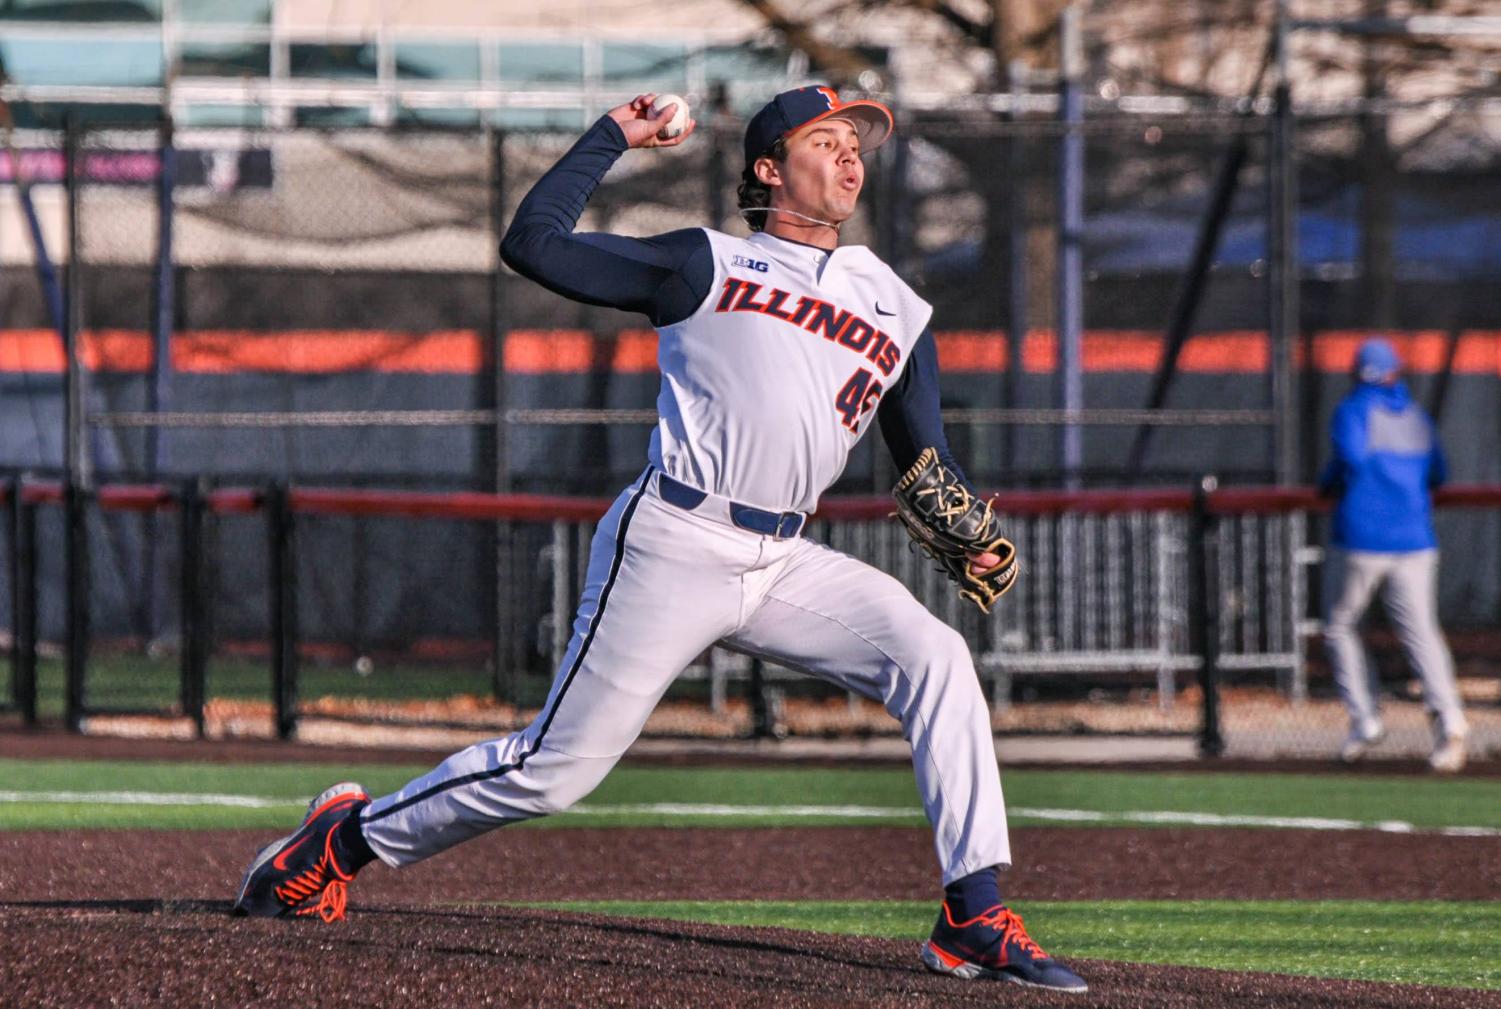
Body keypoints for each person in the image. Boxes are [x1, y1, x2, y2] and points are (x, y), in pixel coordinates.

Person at [232, 86, 1087, 993]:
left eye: (857, 145)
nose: (850, 158)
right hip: (676, 537)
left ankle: (972, 913)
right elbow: (534, 245)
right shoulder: (703, 262)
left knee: (936, 656)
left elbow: (924, 458)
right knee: (549, 773)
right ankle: (343, 838)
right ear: (767, 169)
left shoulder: (893, 303)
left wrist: (961, 528)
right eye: (826, 140)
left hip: (783, 558)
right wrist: (611, 136)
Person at [1319, 336, 1466, 772]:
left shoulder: (1352, 410)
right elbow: (1439, 473)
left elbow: (1348, 459)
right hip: (1416, 540)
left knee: (1341, 625)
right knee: (1422, 633)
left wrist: (1327, 486)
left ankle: (1365, 718)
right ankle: (1451, 723)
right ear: (1395, 373)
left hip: (1362, 538)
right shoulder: (1417, 418)